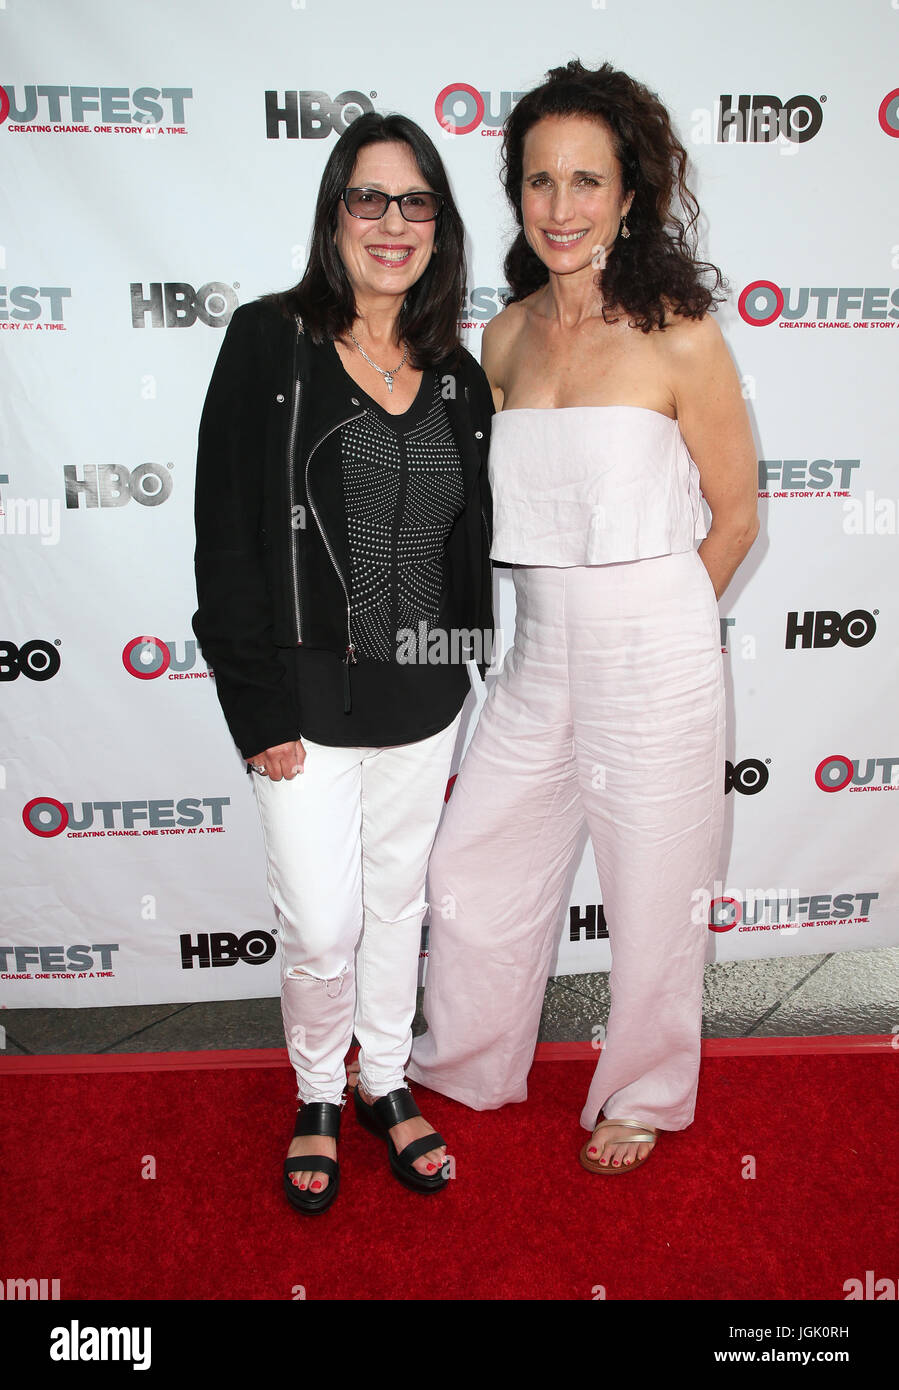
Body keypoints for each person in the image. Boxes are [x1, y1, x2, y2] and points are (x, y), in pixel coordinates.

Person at [406, 59, 759, 1175]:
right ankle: (467, 1057)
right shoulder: (500, 339)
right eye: (538, 181)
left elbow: (738, 514)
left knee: (655, 893)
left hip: (653, 645)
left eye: (585, 181)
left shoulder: (681, 334)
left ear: (627, 194)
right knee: (469, 871)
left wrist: (658, 627)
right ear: (515, 194)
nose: (560, 207)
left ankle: (645, 1092)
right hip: (537, 650)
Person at [192, 111, 494, 1213]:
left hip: (422, 691)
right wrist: (254, 702)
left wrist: (463, 663)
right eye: (368, 198)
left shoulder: (457, 370)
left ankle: (381, 1078)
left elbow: (465, 532)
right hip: (303, 695)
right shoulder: (269, 343)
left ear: (438, 225)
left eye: (415, 201)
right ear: (332, 216)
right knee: (322, 919)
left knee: (397, 900)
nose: (392, 221)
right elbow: (224, 535)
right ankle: (316, 1089)